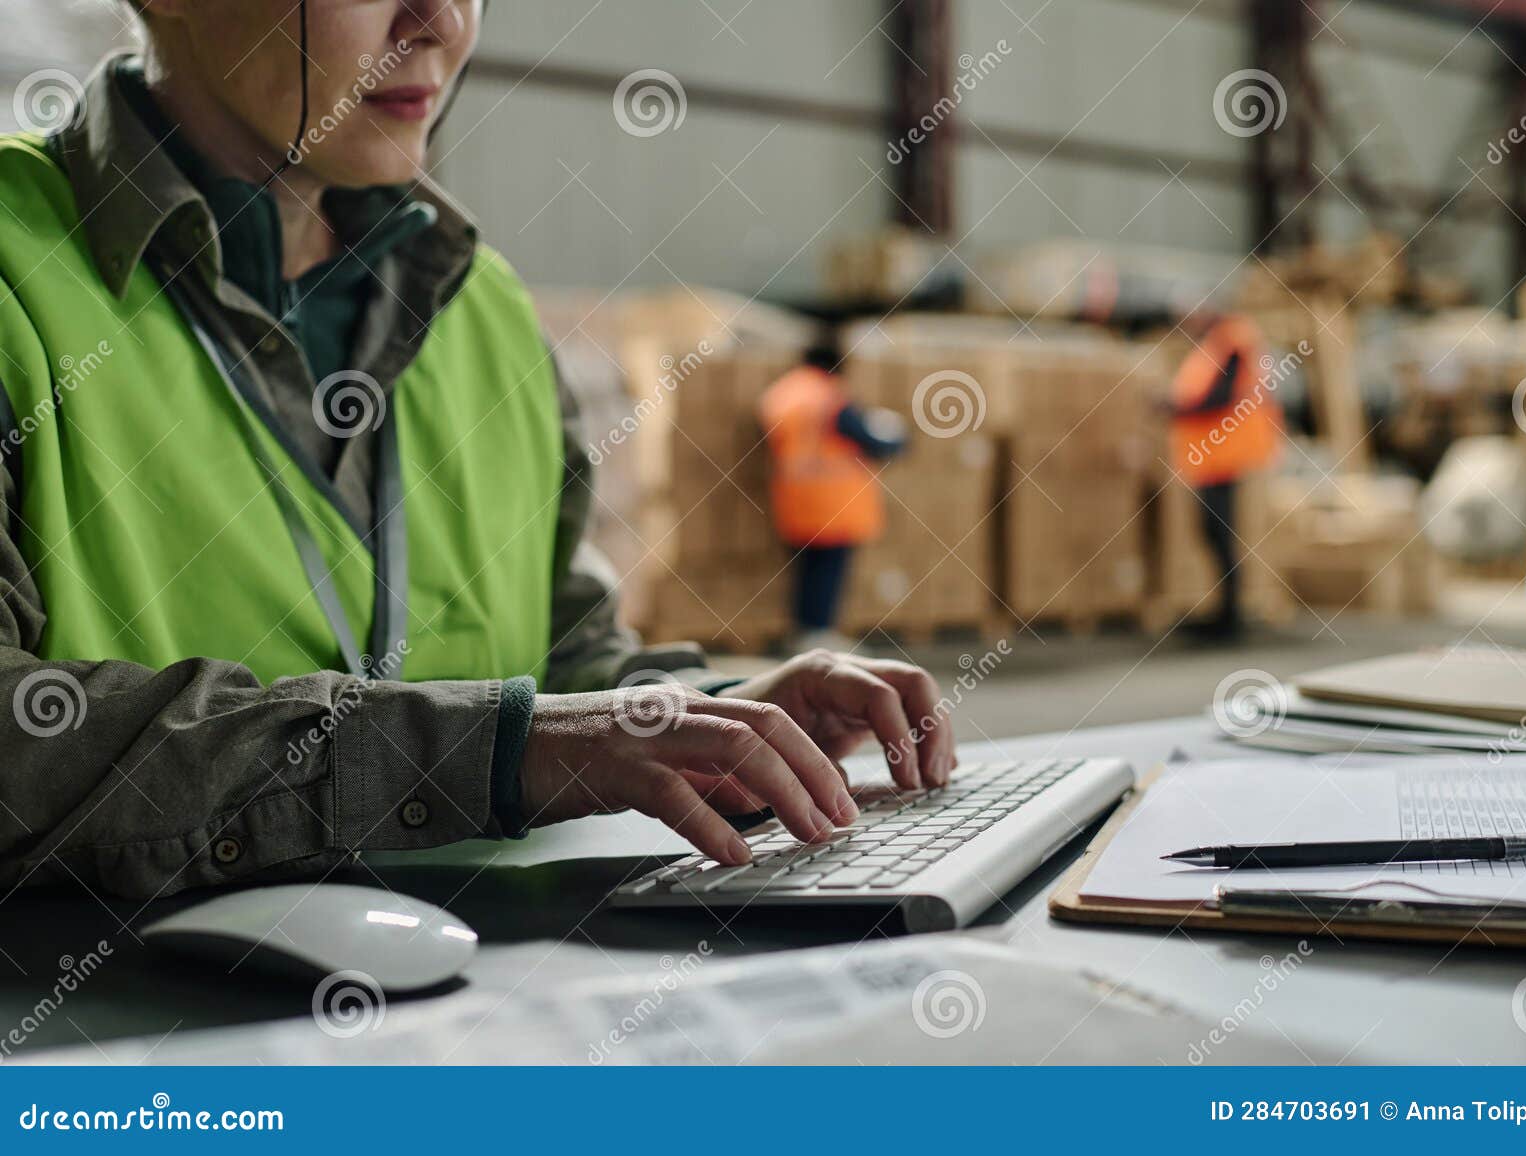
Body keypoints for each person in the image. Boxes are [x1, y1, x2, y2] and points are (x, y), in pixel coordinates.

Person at [0, 0, 956, 900]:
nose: (442, 21)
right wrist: (488, 752)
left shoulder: (478, 305)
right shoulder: (18, 271)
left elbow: (560, 659)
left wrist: (709, 716)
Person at [760, 340, 906, 651]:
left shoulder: (780, 395)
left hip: (795, 497)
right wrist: (896, 438)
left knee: (808, 569)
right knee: (829, 570)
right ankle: (819, 635)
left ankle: (803, 633)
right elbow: (870, 441)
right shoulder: (829, 397)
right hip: (835, 502)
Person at [1168, 310, 1282, 639]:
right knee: (1213, 532)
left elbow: (1220, 397)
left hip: (1225, 454)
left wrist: (1176, 408)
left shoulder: (1232, 343)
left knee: (1220, 532)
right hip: (1213, 456)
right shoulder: (1217, 345)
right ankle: (1224, 611)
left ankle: (1229, 615)